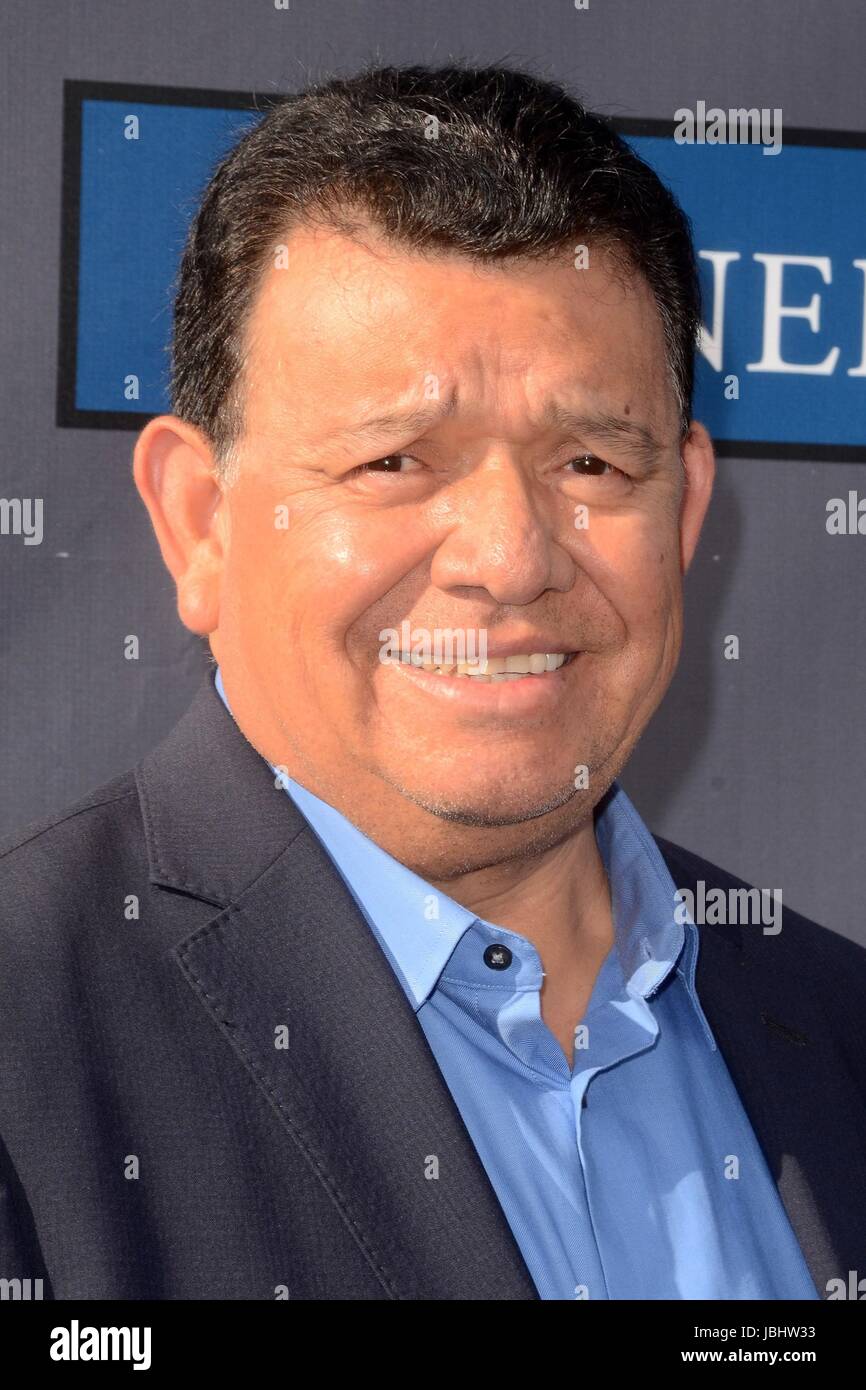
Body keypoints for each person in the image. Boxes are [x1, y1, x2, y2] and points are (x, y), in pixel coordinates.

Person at [1, 63, 863, 1301]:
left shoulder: (835, 1023)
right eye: (395, 460)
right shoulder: (27, 1044)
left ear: (683, 513)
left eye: (589, 462)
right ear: (199, 523)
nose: (510, 558)